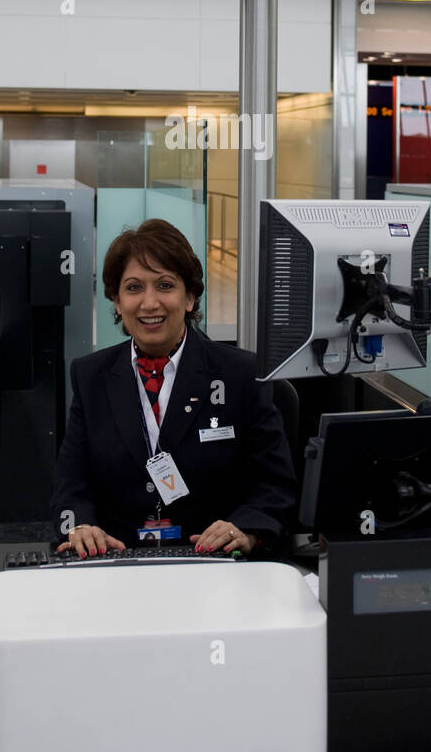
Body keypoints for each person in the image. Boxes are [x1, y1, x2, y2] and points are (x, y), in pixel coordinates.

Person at [51, 219, 297, 558]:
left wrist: (248, 530)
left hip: (214, 563)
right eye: (134, 288)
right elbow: (71, 482)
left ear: (190, 298)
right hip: (119, 561)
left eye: (165, 286)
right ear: (117, 303)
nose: (149, 303)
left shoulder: (239, 374)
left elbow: (275, 486)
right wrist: (79, 526)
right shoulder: (90, 375)